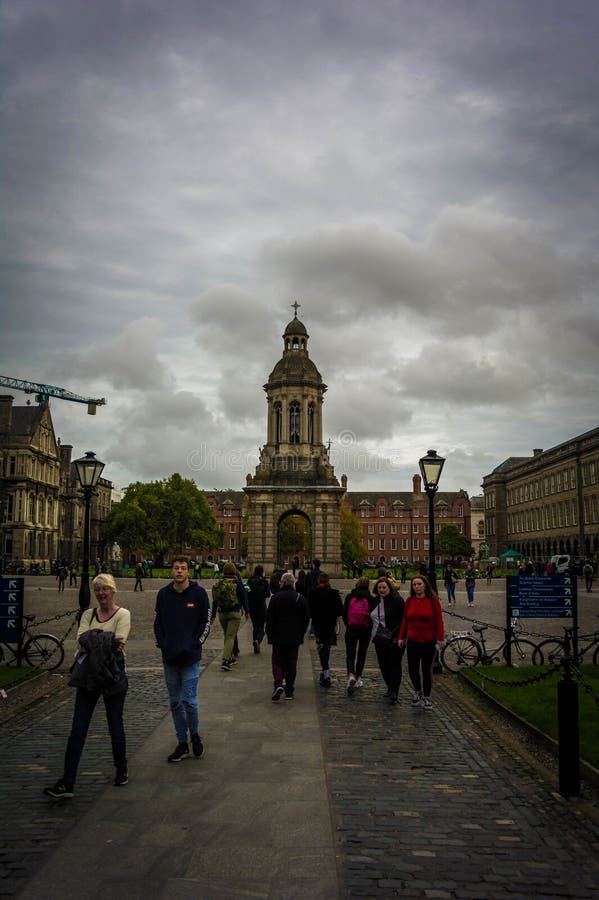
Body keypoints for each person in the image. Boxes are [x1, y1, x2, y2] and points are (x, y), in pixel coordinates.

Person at [43, 574, 131, 799]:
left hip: (112, 677)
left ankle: (121, 769)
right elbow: (80, 641)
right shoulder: (88, 614)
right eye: (98, 590)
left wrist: (95, 640)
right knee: (77, 731)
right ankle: (67, 781)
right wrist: (105, 640)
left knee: (115, 726)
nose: (101, 594)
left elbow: (117, 645)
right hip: (88, 678)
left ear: (113, 590)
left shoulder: (123, 614)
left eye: (105, 589)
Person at [154, 557, 210, 762]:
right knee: (175, 703)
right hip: (169, 657)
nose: (179, 571)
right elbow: (157, 621)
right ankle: (182, 742)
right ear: (172, 571)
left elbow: (206, 622)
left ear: (189, 571)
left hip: (190, 657)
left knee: (190, 701)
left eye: (183, 568)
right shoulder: (163, 595)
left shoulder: (199, 594)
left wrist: (196, 644)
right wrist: (162, 643)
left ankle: (194, 734)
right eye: (176, 568)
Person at [398, 574, 445, 711]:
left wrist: (440, 638)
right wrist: (402, 636)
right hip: (413, 640)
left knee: (426, 670)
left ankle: (427, 696)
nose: (417, 587)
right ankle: (417, 691)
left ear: (425, 585)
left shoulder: (432, 601)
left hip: (428, 641)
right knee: (412, 669)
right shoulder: (409, 600)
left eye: (419, 584)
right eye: (414, 585)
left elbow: (438, 620)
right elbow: (405, 620)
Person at [265, 571, 310, 701]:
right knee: (291, 662)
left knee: (277, 661)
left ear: (283, 583)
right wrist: (301, 633)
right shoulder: (300, 598)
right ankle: (289, 690)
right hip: (294, 637)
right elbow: (306, 618)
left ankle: (278, 683)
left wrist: (269, 633)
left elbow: (269, 618)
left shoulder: (275, 598)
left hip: (278, 636)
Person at [370, 577, 405, 705]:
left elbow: (403, 620)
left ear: (389, 587)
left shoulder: (397, 600)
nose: (382, 590)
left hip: (395, 638)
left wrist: (401, 636)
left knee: (395, 664)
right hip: (379, 637)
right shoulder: (375, 601)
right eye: (379, 588)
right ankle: (390, 687)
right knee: (383, 664)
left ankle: (395, 691)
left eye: (384, 587)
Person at [211, 561, 249, 671]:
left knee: (227, 635)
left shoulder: (219, 584)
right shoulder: (238, 583)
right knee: (230, 636)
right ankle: (226, 660)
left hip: (222, 613)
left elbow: (215, 601)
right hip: (235, 613)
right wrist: (247, 611)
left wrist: (213, 615)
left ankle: (230, 657)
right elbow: (244, 598)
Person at [308, 572, 343, 688]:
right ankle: (325, 673)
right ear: (328, 581)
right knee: (326, 648)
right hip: (330, 625)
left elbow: (309, 610)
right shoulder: (334, 593)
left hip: (318, 625)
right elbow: (340, 610)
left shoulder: (312, 593)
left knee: (322, 648)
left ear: (318, 581)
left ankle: (326, 673)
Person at [343, 576, 375, 696]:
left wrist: (348, 624)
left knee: (350, 654)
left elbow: (344, 612)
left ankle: (350, 675)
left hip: (351, 629)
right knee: (362, 654)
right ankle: (358, 678)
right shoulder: (371, 599)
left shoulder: (350, 597)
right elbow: (373, 616)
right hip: (365, 631)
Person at [246, 564, 270, 653]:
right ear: (262, 572)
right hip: (261, 606)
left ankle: (255, 645)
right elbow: (268, 594)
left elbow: (247, 592)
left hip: (252, 606)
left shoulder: (250, 580)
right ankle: (258, 640)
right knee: (262, 627)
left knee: (255, 626)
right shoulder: (264, 581)